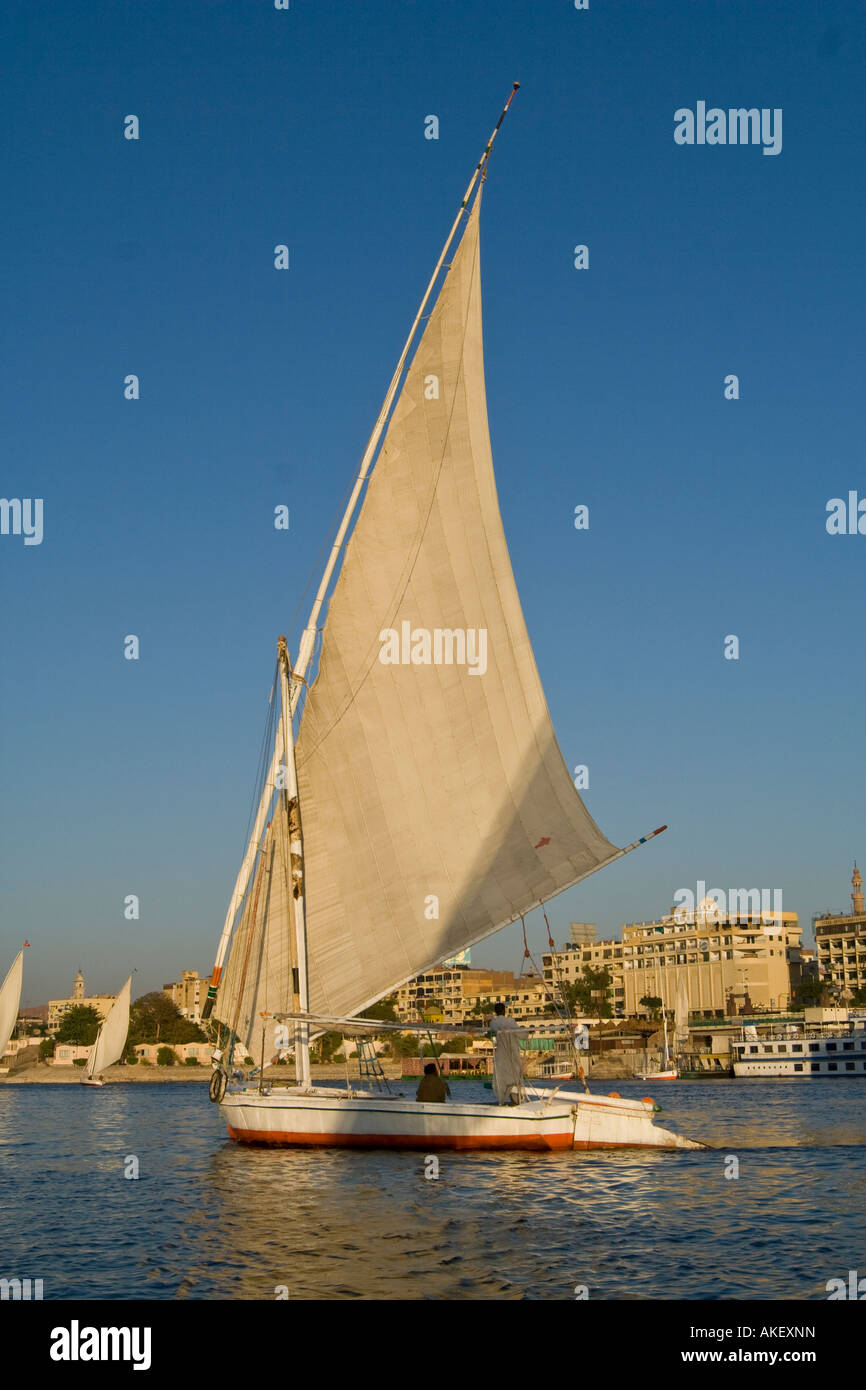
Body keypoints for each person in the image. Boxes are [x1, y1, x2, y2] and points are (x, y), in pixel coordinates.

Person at [488, 1002, 528, 1105]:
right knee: (515, 1076)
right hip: (512, 1052)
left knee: (502, 1077)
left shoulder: (493, 1023)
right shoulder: (510, 1021)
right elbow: (520, 1034)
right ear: (504, 1010)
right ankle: (517, 1100)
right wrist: (527, 1032)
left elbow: (493, 1030)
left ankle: (503, 1101)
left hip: (501, 1053)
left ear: (495, 1011)